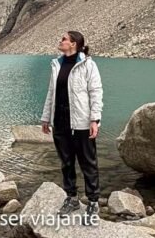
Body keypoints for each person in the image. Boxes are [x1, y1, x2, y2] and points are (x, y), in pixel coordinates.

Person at [40, 30, 103, 220]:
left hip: (81, 123)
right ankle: (72, 198)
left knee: (87, 162)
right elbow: (52, 93)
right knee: (66, 162)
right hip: (60, 122)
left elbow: (96, 92)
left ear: (74, 43)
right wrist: (45, 118)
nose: (60, 41)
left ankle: (93, 202)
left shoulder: (87, 65)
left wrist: (95, 119)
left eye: (64, 39)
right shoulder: (56, 64)